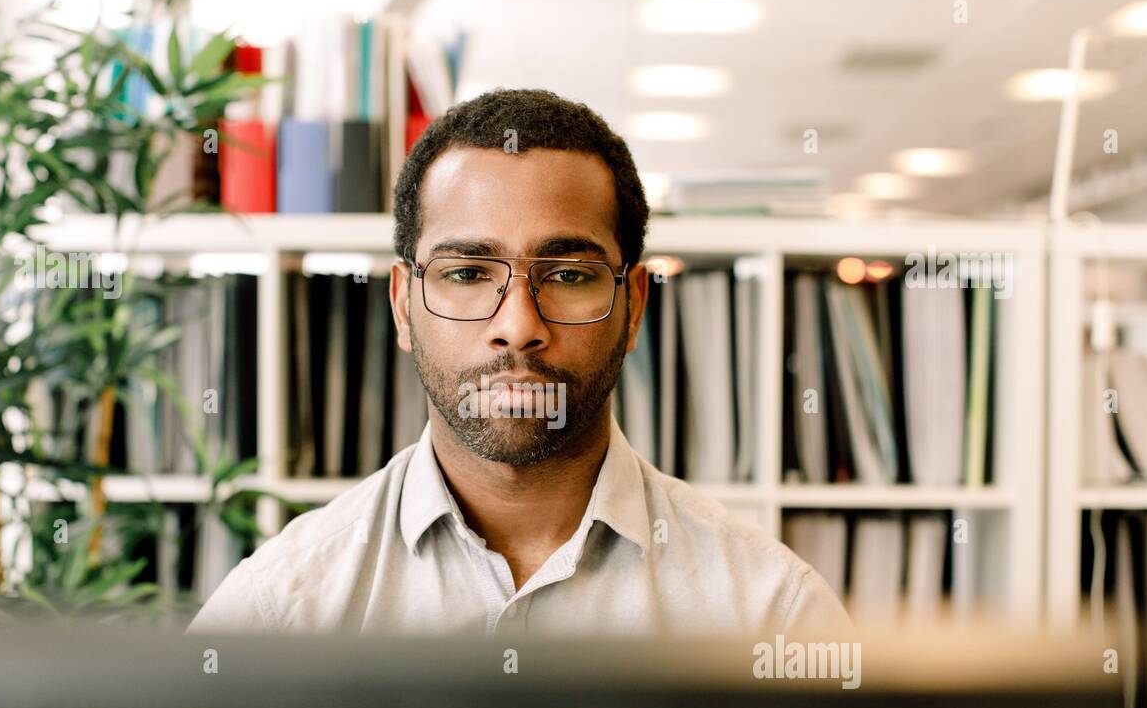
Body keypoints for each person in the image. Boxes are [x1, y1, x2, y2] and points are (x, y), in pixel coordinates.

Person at [190, 88, 852, 638]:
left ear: (635, 305)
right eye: (470, 272)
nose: (517, 327)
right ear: (401, 304)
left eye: (566, 274)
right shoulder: (277, 611)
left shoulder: (772, 615)